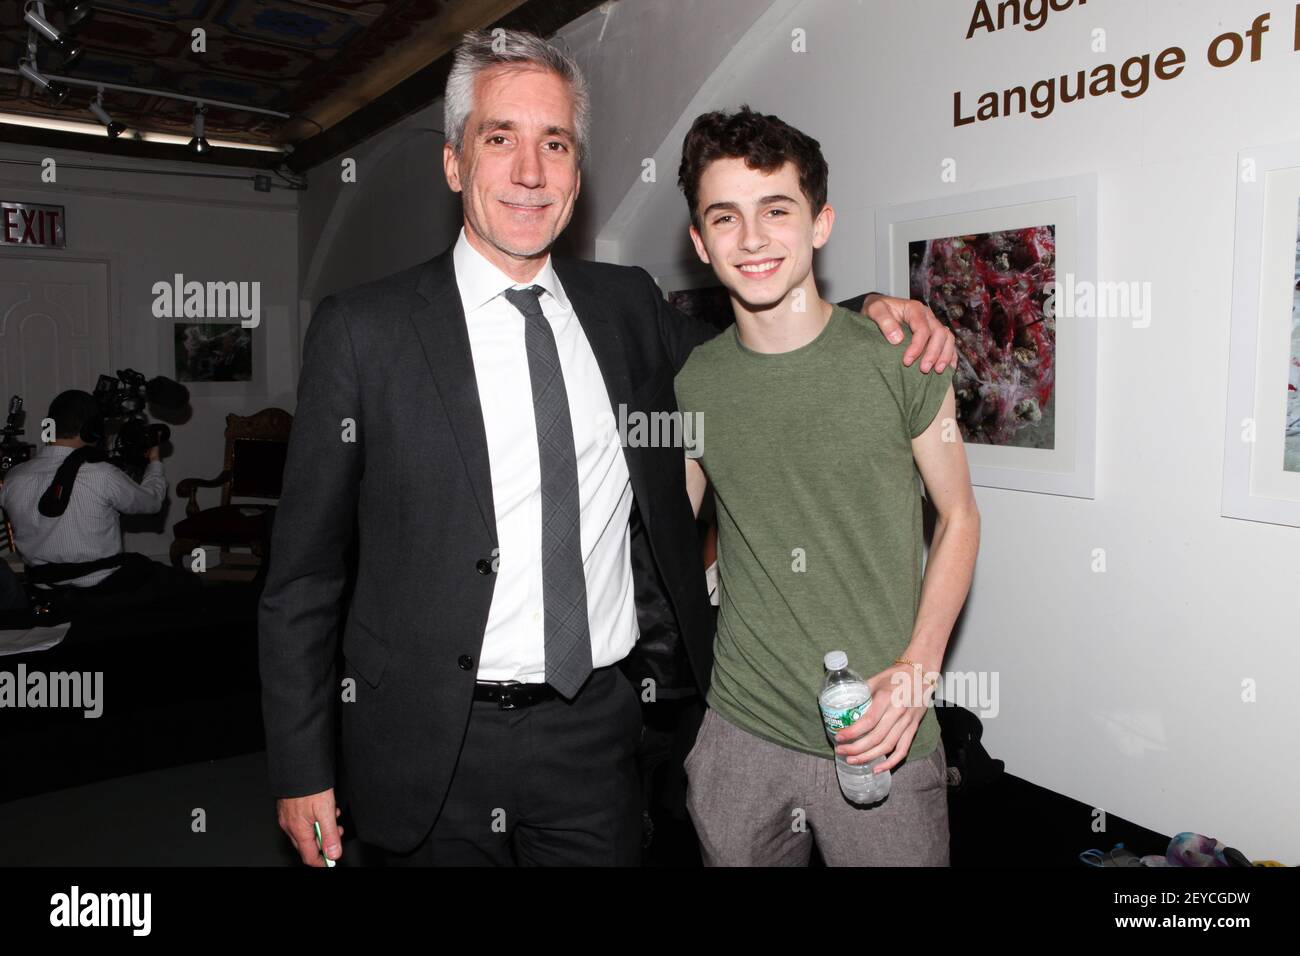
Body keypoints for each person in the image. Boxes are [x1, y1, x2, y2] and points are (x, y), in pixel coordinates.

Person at [259, 29, 958, 868]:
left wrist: (876, 308)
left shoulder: (624, 306)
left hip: (595, 734)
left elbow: (761, 335)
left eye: (555, 143)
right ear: (453, 163)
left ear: (577, 172)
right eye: (500, 138)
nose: (530, 171)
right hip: (427, 738)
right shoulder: (363, 331)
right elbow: (303, 576)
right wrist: (301, 767)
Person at [673, 106, 981, 866]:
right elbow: (667, 535)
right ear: (700, 241)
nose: (751, 238)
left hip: (882, 724)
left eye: (776, 210)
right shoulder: (693, 382)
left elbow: (959, 517)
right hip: (739, 730)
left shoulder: (901, 356)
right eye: (725, 216)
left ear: (820, 223)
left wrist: (918, 670)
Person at [0, 389, 198, 621]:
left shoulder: (13, 477)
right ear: (92, 429)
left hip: (44, 589)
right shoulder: (102, 474)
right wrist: (154, 462)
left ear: (49, 425)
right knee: (188, 584)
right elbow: (152, 502)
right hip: (102, 590)